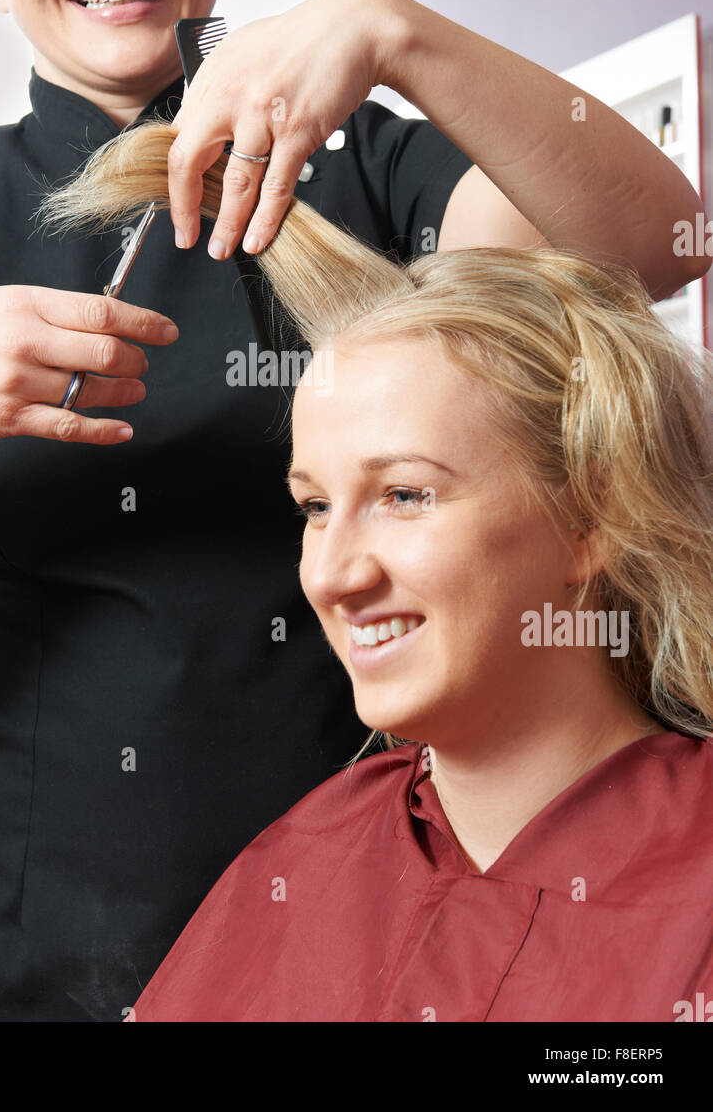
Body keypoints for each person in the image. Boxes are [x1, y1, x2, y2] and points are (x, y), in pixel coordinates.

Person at [0, 0, 705, 1022]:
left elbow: (661, 239)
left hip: (355, 922)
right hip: (17, 952)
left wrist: (390, 26)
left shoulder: (352, 166)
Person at [42, 135, 713, 1022]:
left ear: (591, 519)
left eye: (404, 495)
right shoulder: (295, 866)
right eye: (315, 507)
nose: (333, 574)